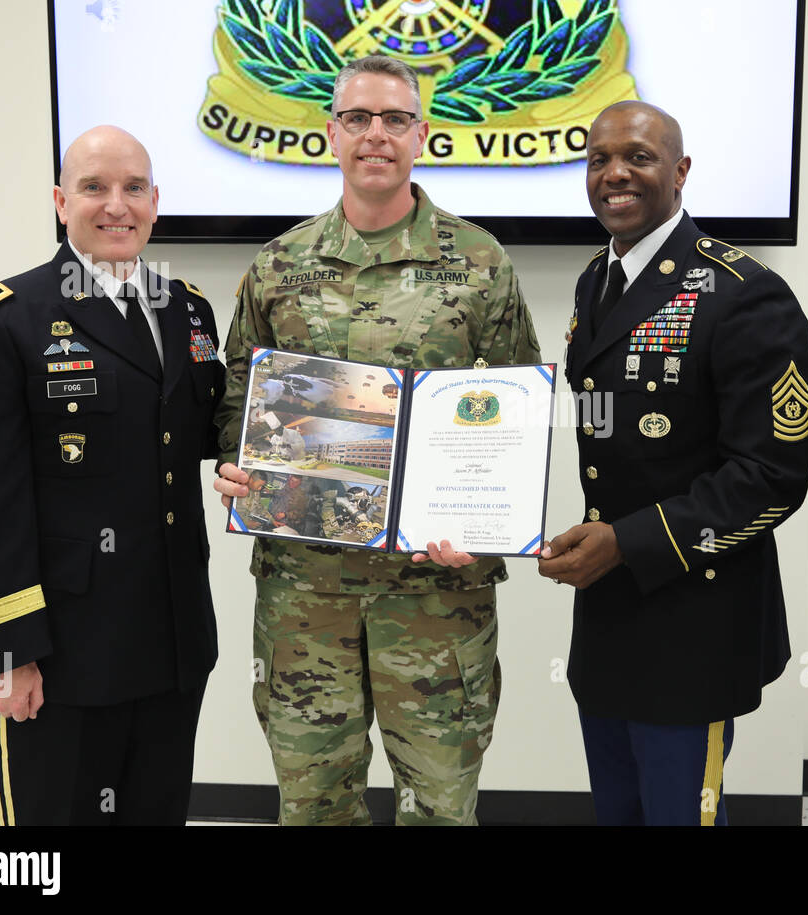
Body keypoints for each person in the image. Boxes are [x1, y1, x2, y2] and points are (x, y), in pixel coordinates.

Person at [213, 54, 540, 826]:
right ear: (332, 134)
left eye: (395, 119)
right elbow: (234, 395)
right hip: (304, 596)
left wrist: (488, 524)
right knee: (315, 804)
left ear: (421, 135)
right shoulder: (278, 267)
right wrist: (239, 458)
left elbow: (520, 416)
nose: (376, 135)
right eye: (357, 118)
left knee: (440, 806)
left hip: (437, 596)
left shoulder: (481, 265)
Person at [537, 101, 808, 825]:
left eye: (638, 156)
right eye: (598, 159)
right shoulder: (596, 281)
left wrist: (626, 543)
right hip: (608, 622)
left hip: (695, 622)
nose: (615, 174)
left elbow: (772, 477)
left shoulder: (744, 291)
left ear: (681, 170)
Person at [0, 125, 224, 825]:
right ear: (63, 201)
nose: (115, 205)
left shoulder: (187, 309)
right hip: (59, 654)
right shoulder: (5, 316)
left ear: (157, 201)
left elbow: (213, 436)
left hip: (172, 643)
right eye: (95, 188)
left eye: (133, 188)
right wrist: (4, 649)